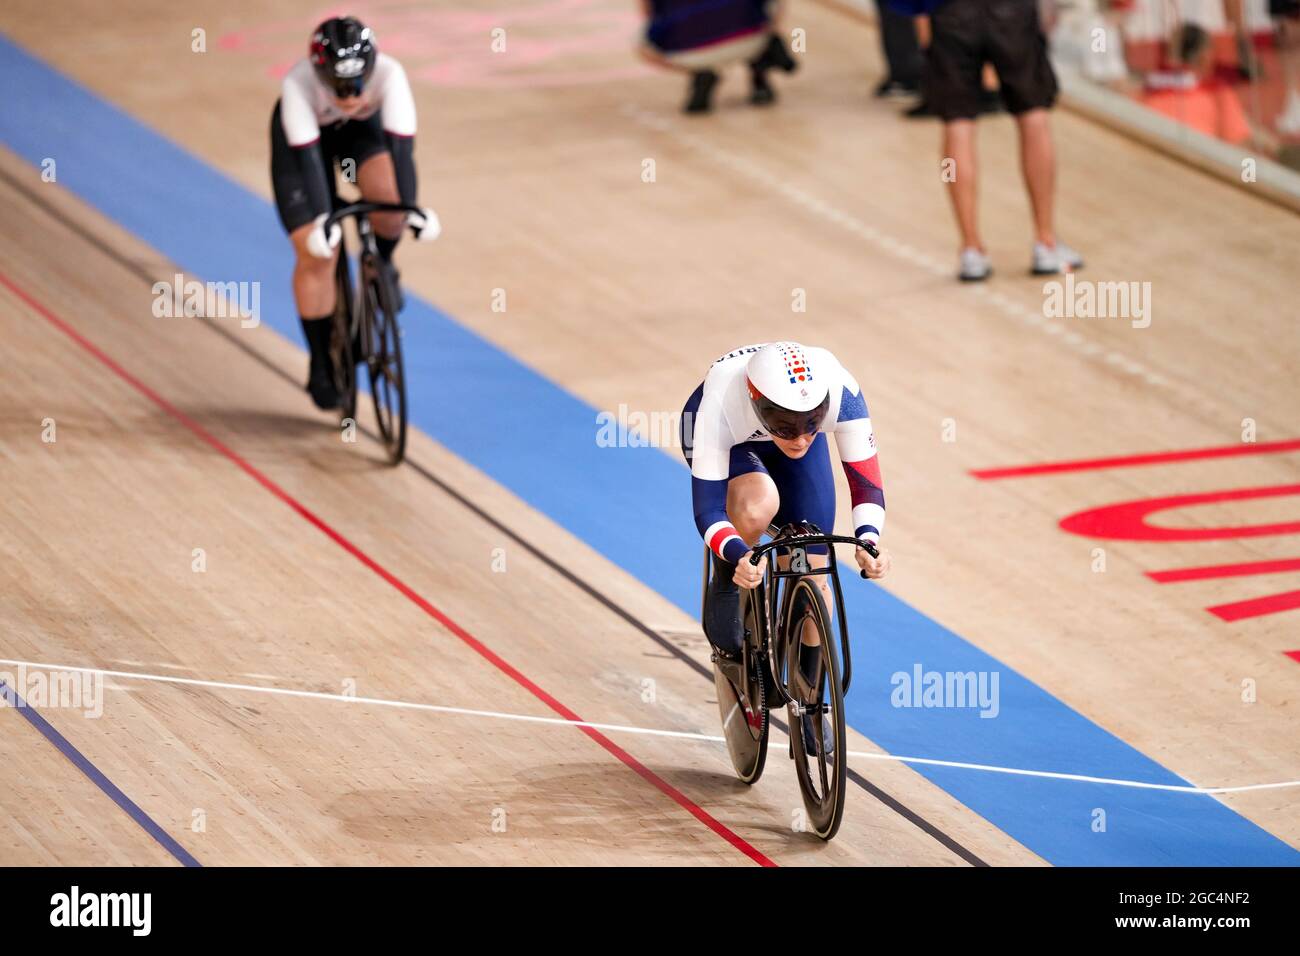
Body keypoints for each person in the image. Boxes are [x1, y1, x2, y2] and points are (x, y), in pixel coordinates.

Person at [681, 342, 891, 752]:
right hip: (733, 442)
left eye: (812, 423)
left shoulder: (842, 394)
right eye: (786, 426)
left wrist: (869, 540)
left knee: (814, 559)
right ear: (760, 406)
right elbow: (707, 509)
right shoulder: (720, 401)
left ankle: (811, 701)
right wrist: (737, 553)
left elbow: (866, 484)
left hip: (777, 443)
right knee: (760, 504)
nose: (800, 438)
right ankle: (728, 580)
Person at [270, 16, 439, 411]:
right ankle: (320, 358)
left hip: (359, 135)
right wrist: (324, 222)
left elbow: (401, 153)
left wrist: (408, 211)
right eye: (340, 87)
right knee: (319, 255)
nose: (350, 95)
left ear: (372, 69)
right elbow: (312, 164)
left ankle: (382, 262)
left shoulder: (391, 75)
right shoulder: (297, 86)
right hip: (305, 149)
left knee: (390, 208)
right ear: (319, 74)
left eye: (358, 83)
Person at [923, 0, 1082, 281]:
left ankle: (971, 249)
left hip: (951, 13)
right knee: (1033, 115)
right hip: (1012, 12)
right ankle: (1046, 241)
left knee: (956, 125)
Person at [639, 1, 799, 114]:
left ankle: (702, 72)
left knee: (641, 45)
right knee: (771, 7)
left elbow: (650, 15)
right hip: (749, 38)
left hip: (691, 52)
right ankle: (765, 54)